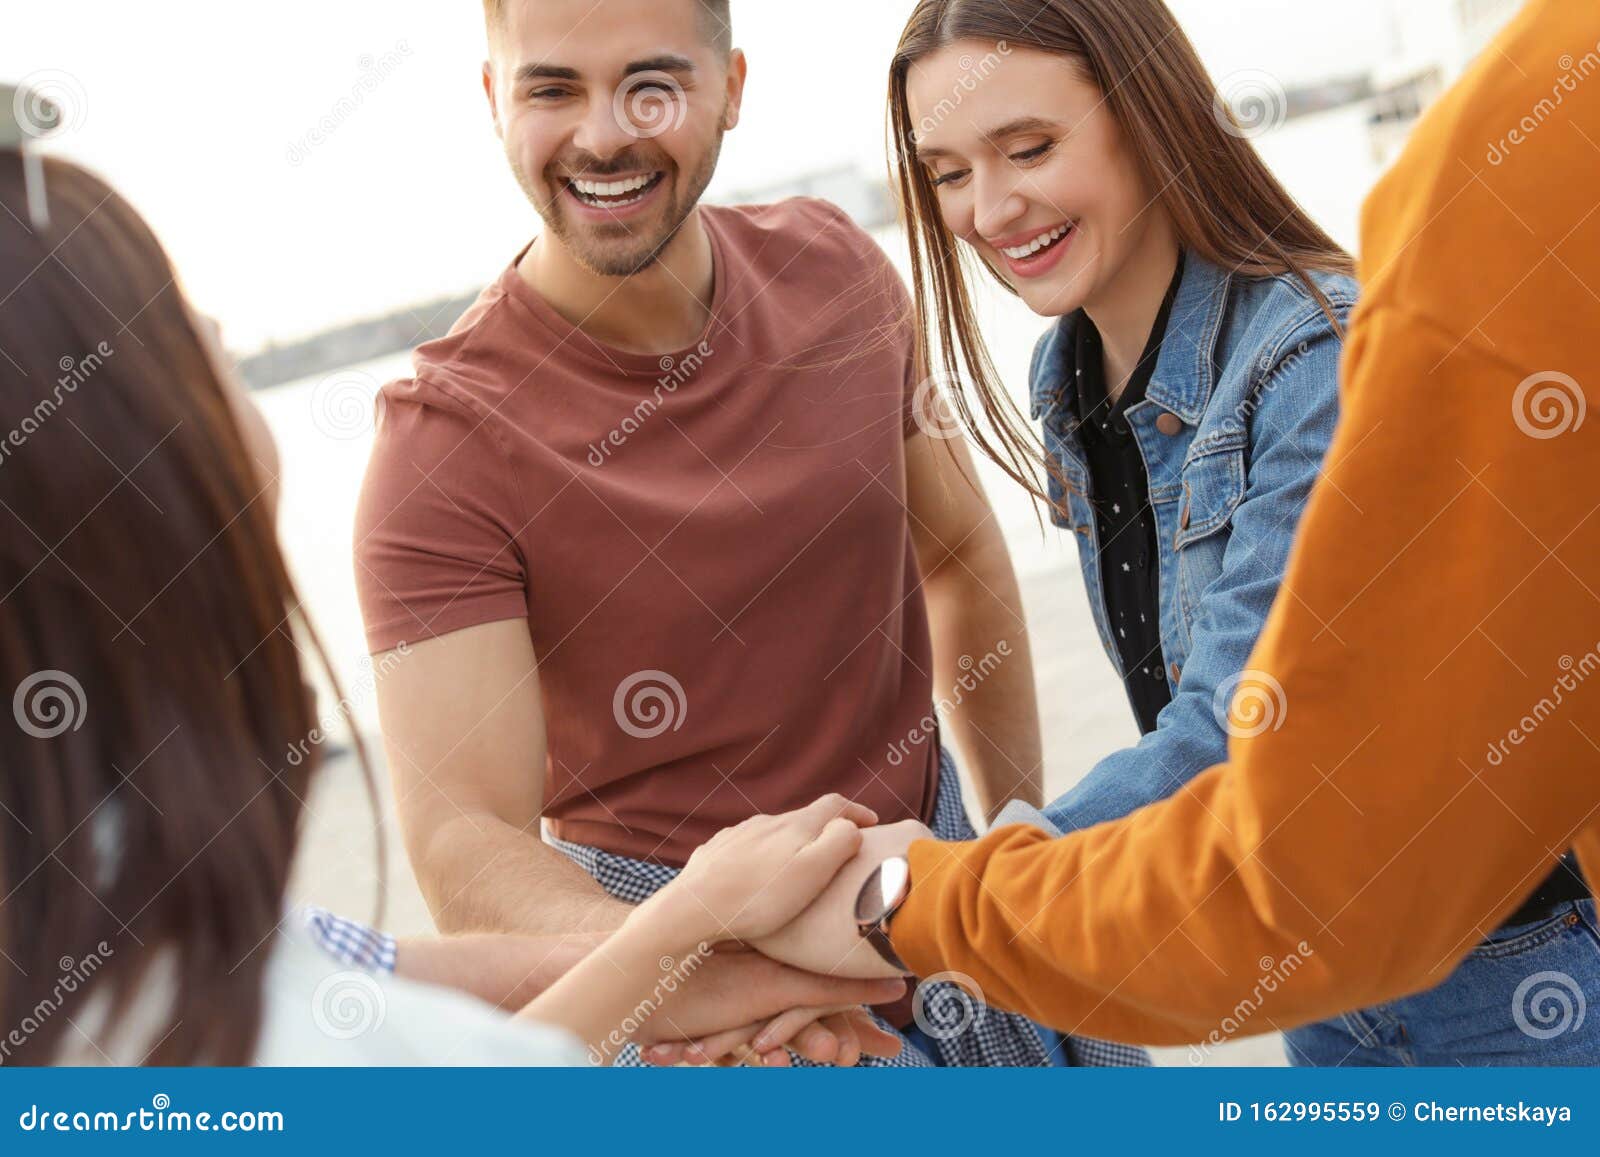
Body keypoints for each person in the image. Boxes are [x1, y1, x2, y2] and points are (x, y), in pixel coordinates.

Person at [675, 0, 1600, 1065]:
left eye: (1030, 148)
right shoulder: (1067, 375)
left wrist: (919, 893)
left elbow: (1230, 741)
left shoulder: (1312, 360)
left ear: (1149, 116)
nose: (989, 208)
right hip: (1319, 987)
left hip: (1507, 978)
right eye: (947, 173)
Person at [0, 140, 900, 1066]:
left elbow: (372, 967)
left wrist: (683, 953)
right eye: (184, 326)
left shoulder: (100, 902)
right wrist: (682, 935)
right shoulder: (244, 1034)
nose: (223, 331)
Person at [353, 0, 1134, 1066]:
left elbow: (958, 556)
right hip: (714, 1012)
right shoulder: (440, 444)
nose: (602, 135)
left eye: (651, 85)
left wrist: (1011, 839)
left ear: (731, 89)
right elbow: (465, 839)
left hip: (950, 889)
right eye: (552, 89)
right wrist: (703, 977)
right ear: (495, 101)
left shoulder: (837, 269)